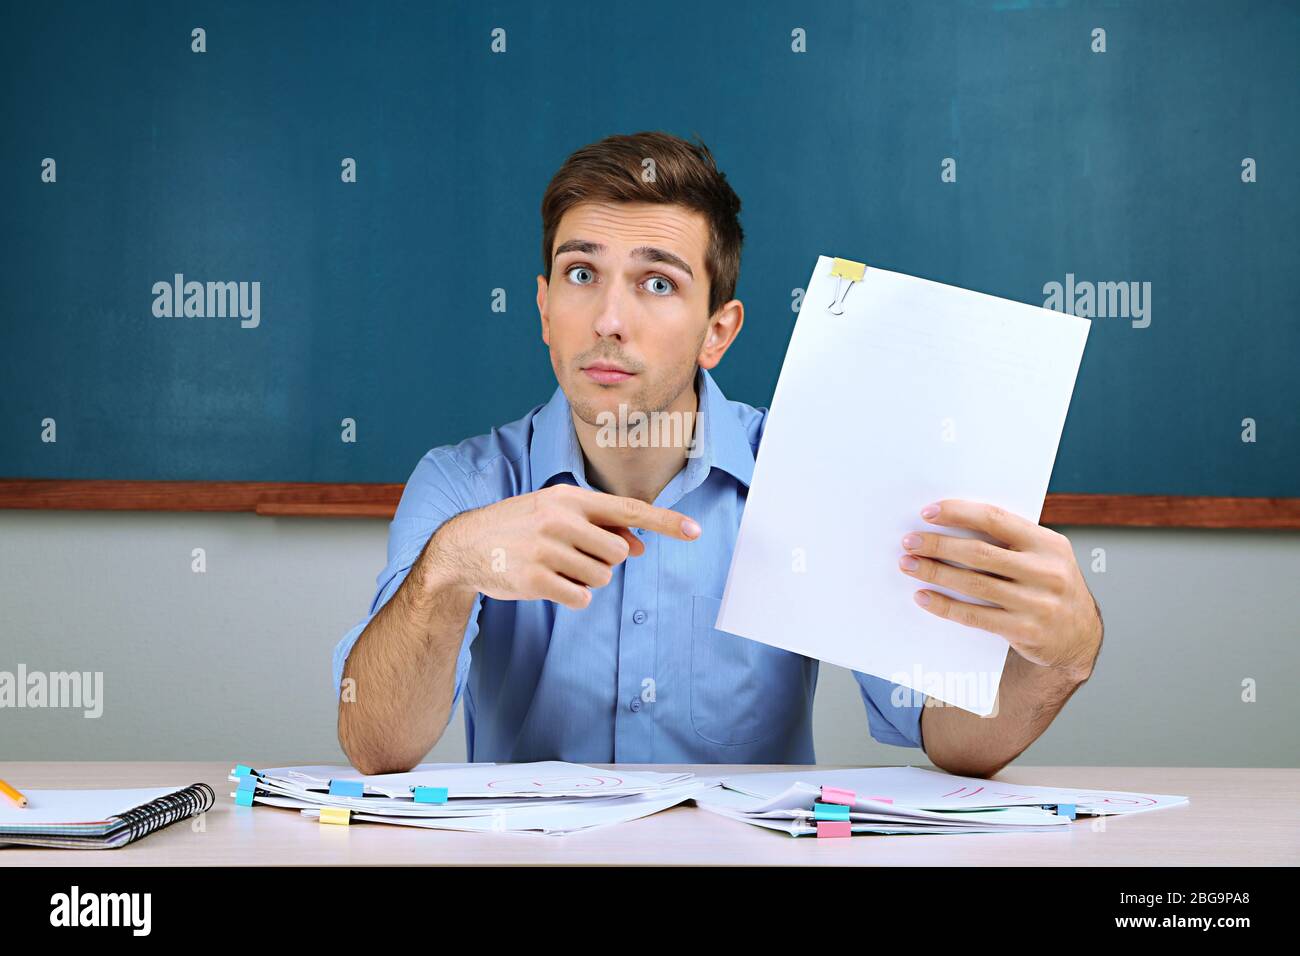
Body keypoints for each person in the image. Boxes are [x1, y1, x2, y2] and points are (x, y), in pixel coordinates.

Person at [334, 131, 1103, 776]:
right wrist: (448, 568)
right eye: (580, 274)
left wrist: (1060, 659)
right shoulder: (464, 485)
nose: (607, 318)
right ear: (543, 308)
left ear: (718, 331)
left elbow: (951, 739)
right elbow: (375, 743)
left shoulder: (809, 473)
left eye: (656, 284)